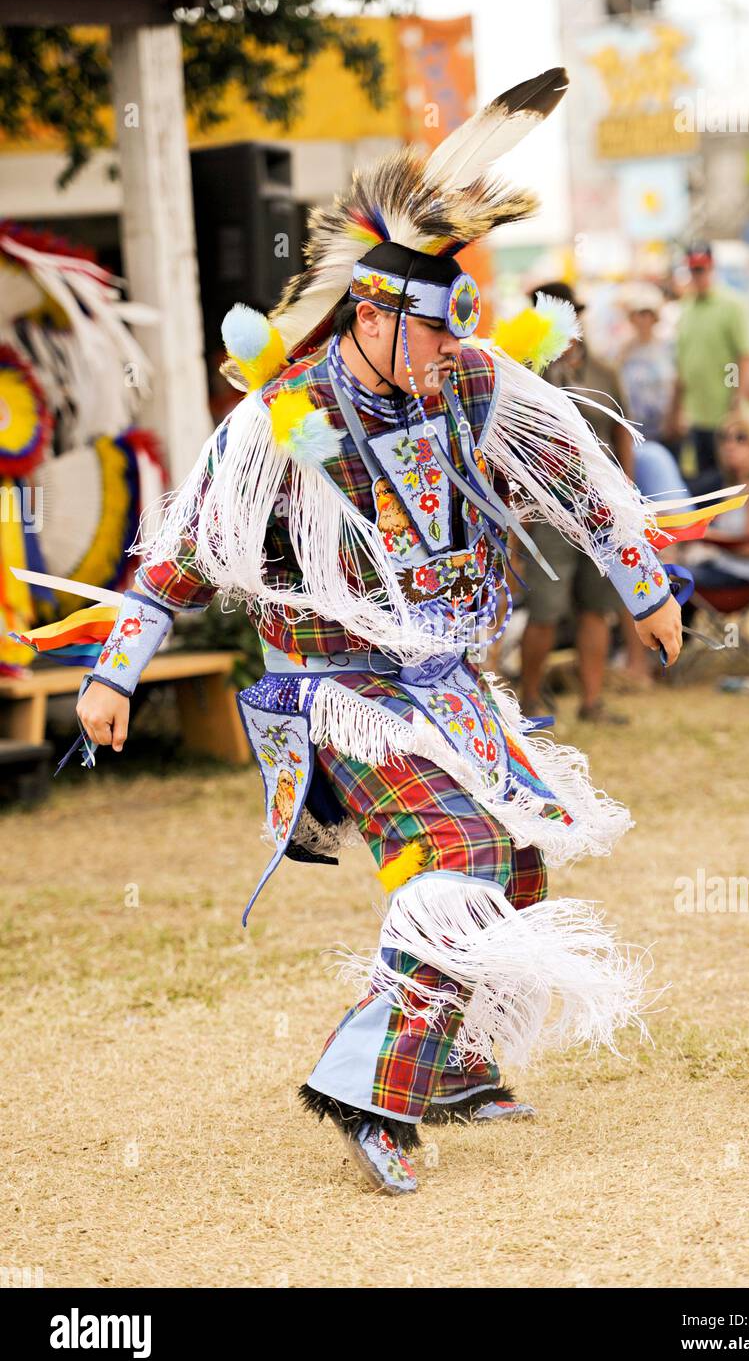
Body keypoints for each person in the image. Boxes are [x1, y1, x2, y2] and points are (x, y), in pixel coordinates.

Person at [40, 70, 688, 1198]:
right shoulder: (277, 422)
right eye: (429, 333)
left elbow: (578, 480)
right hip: (335, 692)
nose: (447, 351)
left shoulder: (474, 383)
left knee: (515, 861)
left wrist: (645, 586)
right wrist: (117, 669)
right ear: (375, 315)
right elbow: (185, 548)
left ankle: (449, 1062)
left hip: (444, 681)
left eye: (456, 332)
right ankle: (367, 1084)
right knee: (457, 857)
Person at [518, 281, 643, 722]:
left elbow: (622, 429)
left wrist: (626, 489)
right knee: (546, 609)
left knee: (597, 607)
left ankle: (592, 702)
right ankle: (528, 702)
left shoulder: (603, 370)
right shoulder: (526, 371)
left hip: (601, 506)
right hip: (550, 507)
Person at [679, 406, 749, 627]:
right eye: (724, 438)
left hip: (739, 576)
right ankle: (669, 646)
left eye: (740, 438)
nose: (730, 445)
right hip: (719, 563)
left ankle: (665, 648)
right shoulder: (734, 481)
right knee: (661, 566)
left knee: (666, 576)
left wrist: (705, 535)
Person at [665, 242, 749, 488]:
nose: (698, 275)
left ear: (712, 267)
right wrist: (675, 410)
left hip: (724, 415)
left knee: (729, 483)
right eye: (694, 270)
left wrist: (736, 398)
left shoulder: (732, 305)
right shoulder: (686, 308)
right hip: (696, 417)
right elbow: (683, 363)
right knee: (703, 482)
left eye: (702, 269)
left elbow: (742, 356)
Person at [618, 281, 676, 447]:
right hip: (635, 428)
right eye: (638, 314)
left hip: (664, 426)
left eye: (647, 313)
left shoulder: (668, 347)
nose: (643, 319)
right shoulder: (623, 350)